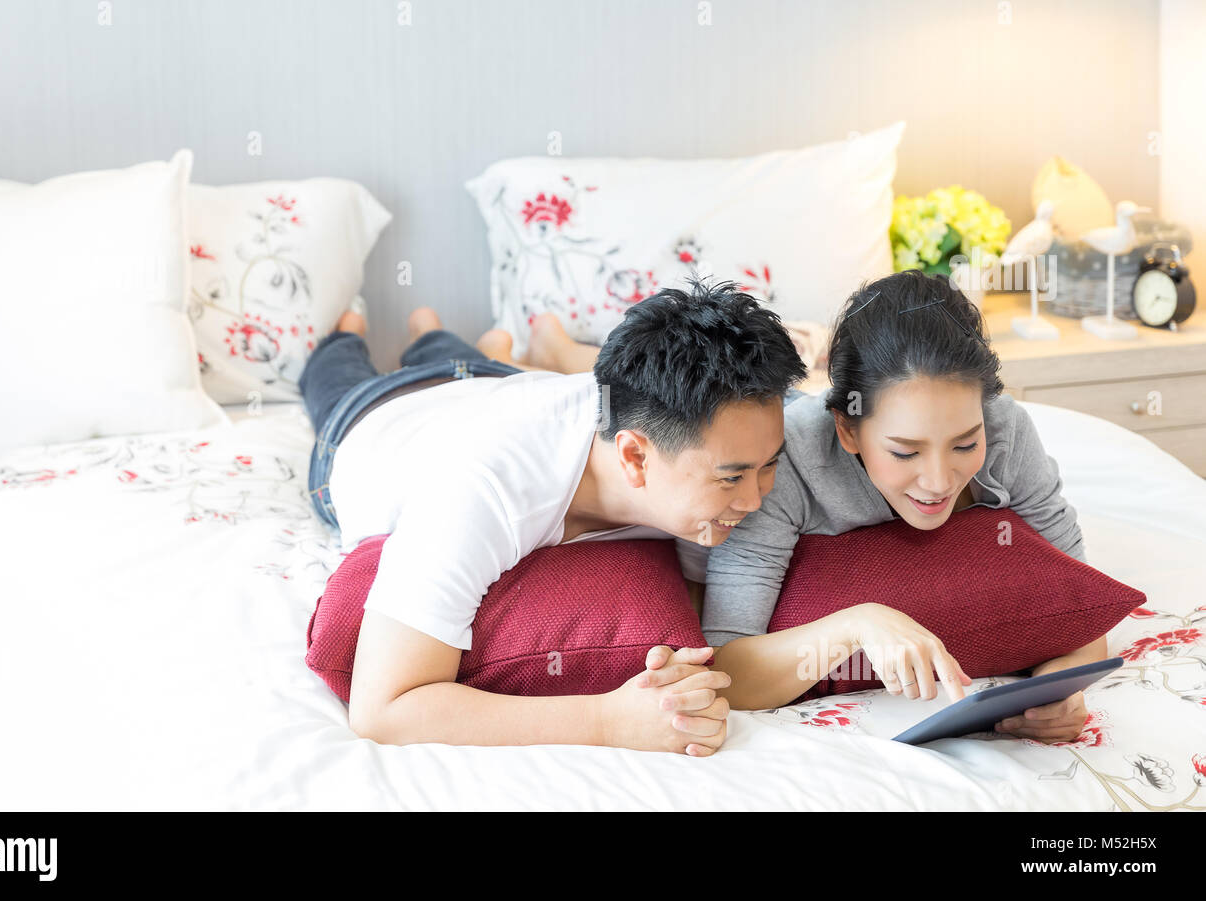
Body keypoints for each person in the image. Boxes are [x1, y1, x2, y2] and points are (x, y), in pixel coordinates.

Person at [487, 271, 1102, 744]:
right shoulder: (778, 467)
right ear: (848, 429)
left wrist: (1061, 688)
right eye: (905, 450)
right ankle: (535, 348)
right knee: (515, 379)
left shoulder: (1005, 429)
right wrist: (855, 623)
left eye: (963, 443)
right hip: (511, 407)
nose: (939, 479)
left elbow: (1081, 593)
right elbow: (730, 660)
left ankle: (555, 348)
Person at [299, 279, 807, 755]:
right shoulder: (477, 491)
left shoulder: (689, 428)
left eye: (770, 466)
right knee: (337, 372)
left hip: (503, 384)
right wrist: (608, 721)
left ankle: (432, 333)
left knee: (455, 355)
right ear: (634, 458)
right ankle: (352, 334)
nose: (757, 499)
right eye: (732, 478)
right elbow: (382, 711)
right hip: (375, 419)